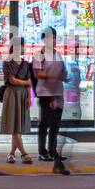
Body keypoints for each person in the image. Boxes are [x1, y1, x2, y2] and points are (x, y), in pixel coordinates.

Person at [33, 28, 70, 174]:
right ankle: (42, 152)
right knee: (44, 124)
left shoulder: (58, 54)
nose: (53, 40)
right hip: (45, 93)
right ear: (44, 39)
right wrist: (52, 76)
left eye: (54, 37)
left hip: (58, 93)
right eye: (50, 38)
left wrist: (63, 75)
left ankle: (53, 151)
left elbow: (63, 71)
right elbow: (37, 74)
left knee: (55, 125)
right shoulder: (39, 55)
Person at [0, 37, 33, 164]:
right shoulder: (7, 62)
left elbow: (28, 84)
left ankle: (12, 153)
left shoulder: (25, 63)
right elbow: (12, 80)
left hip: (22, 95)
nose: (23, 48)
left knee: (18, 126)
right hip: (12, 94)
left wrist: (29, 97)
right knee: (14, 127)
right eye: (22, 45)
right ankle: (24, 153)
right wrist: (26, 82)